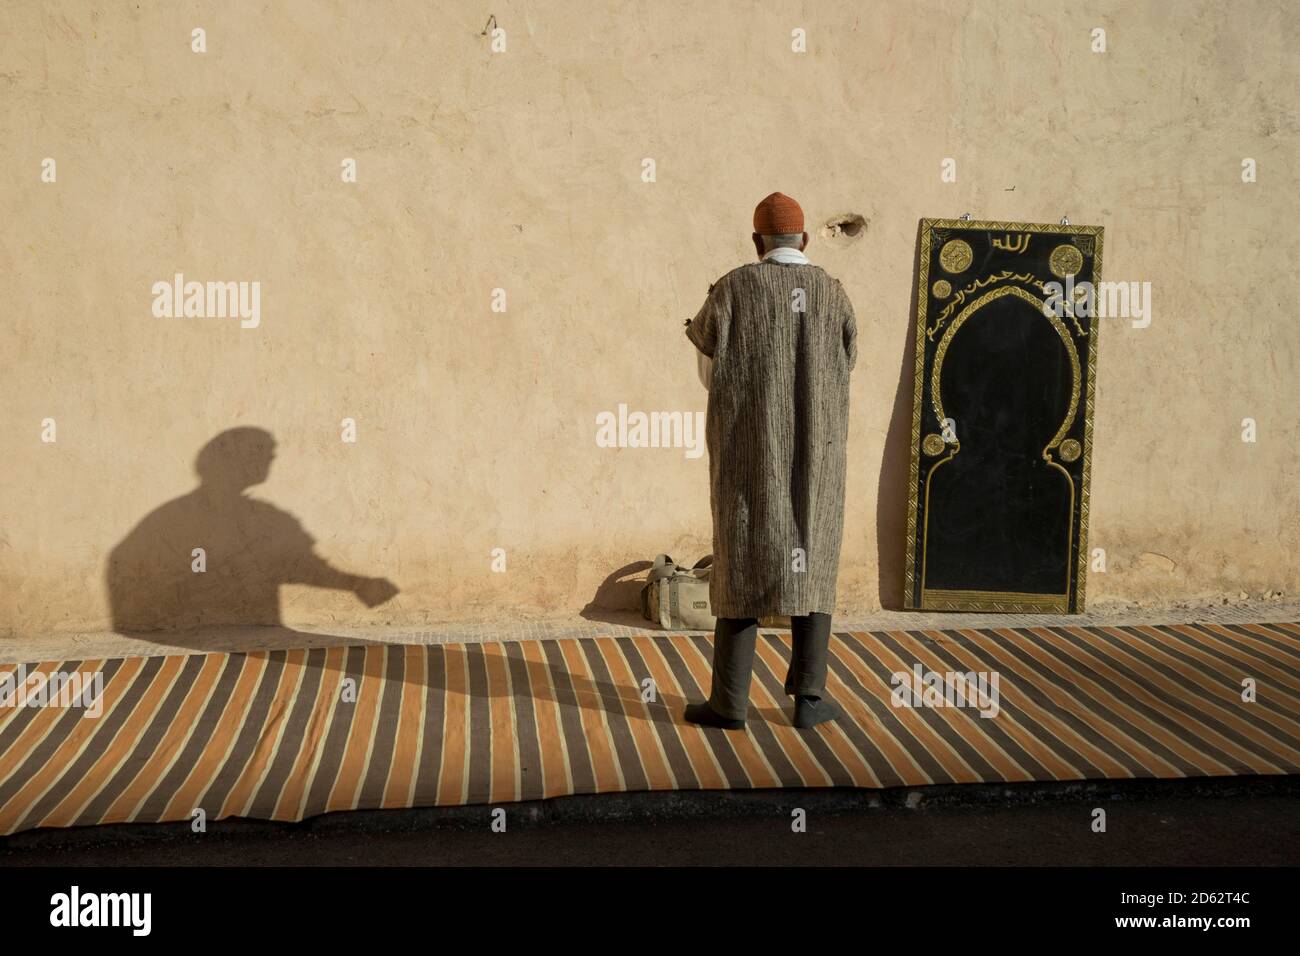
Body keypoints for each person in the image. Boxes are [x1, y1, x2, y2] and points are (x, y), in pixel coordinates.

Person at [682, 192, 857, 730]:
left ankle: (729, 703)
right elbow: (847, 362)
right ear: (803, 239)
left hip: (748, 453)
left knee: (741, 559)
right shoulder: (833, 293)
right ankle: (809, 699)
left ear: (757, 241)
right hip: (819, 456)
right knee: (814, 556)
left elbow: (708, 371)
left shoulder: (732, 289)